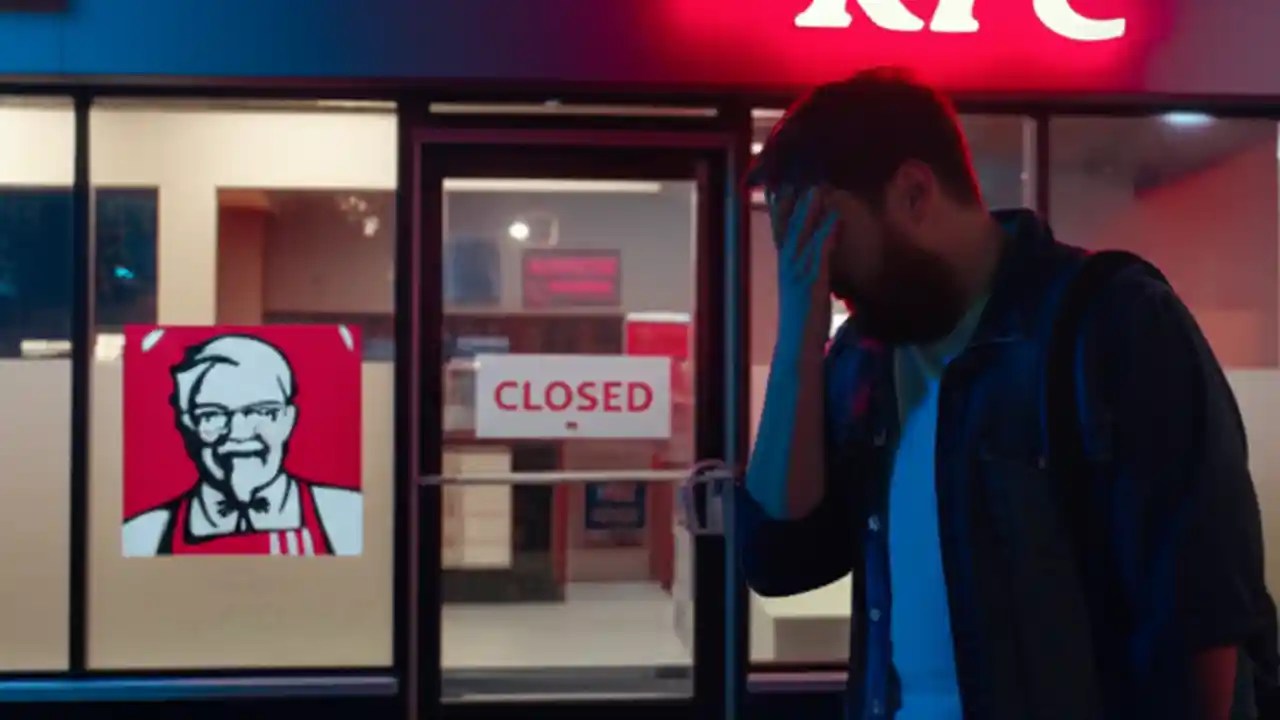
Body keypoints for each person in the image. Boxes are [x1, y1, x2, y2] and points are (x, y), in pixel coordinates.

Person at [741, 67, 1278, 719]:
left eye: (825, 237)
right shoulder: (866, 358)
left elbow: (1201, 607)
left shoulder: (1110, 321)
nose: (818, 271)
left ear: (913, 193)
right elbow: (778, 553)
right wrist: (797, 323)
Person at [123, 334, 361, 556]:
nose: (238, 434)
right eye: (212, 414)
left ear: (288, 420)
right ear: (188, 425)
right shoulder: (144, 534)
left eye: (261, 412)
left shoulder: (347, 514)